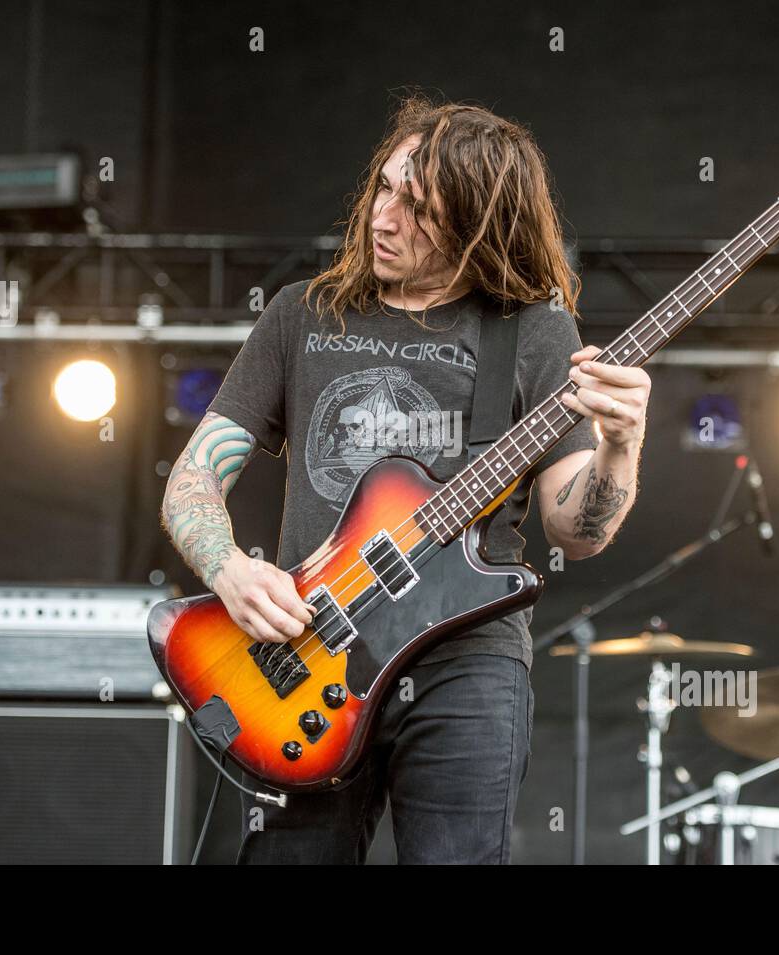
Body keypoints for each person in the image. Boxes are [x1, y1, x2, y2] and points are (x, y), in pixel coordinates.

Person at [159, 95, 651, 863]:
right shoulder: (303, 314)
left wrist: (621, 444)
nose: (382, 218)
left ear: (481, 225)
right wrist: (227, 568)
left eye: (418, 208)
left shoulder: (533, 331)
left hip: (466, 664)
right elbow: (193, 475)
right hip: (310, 655)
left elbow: (573, 532)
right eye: (384, 188)